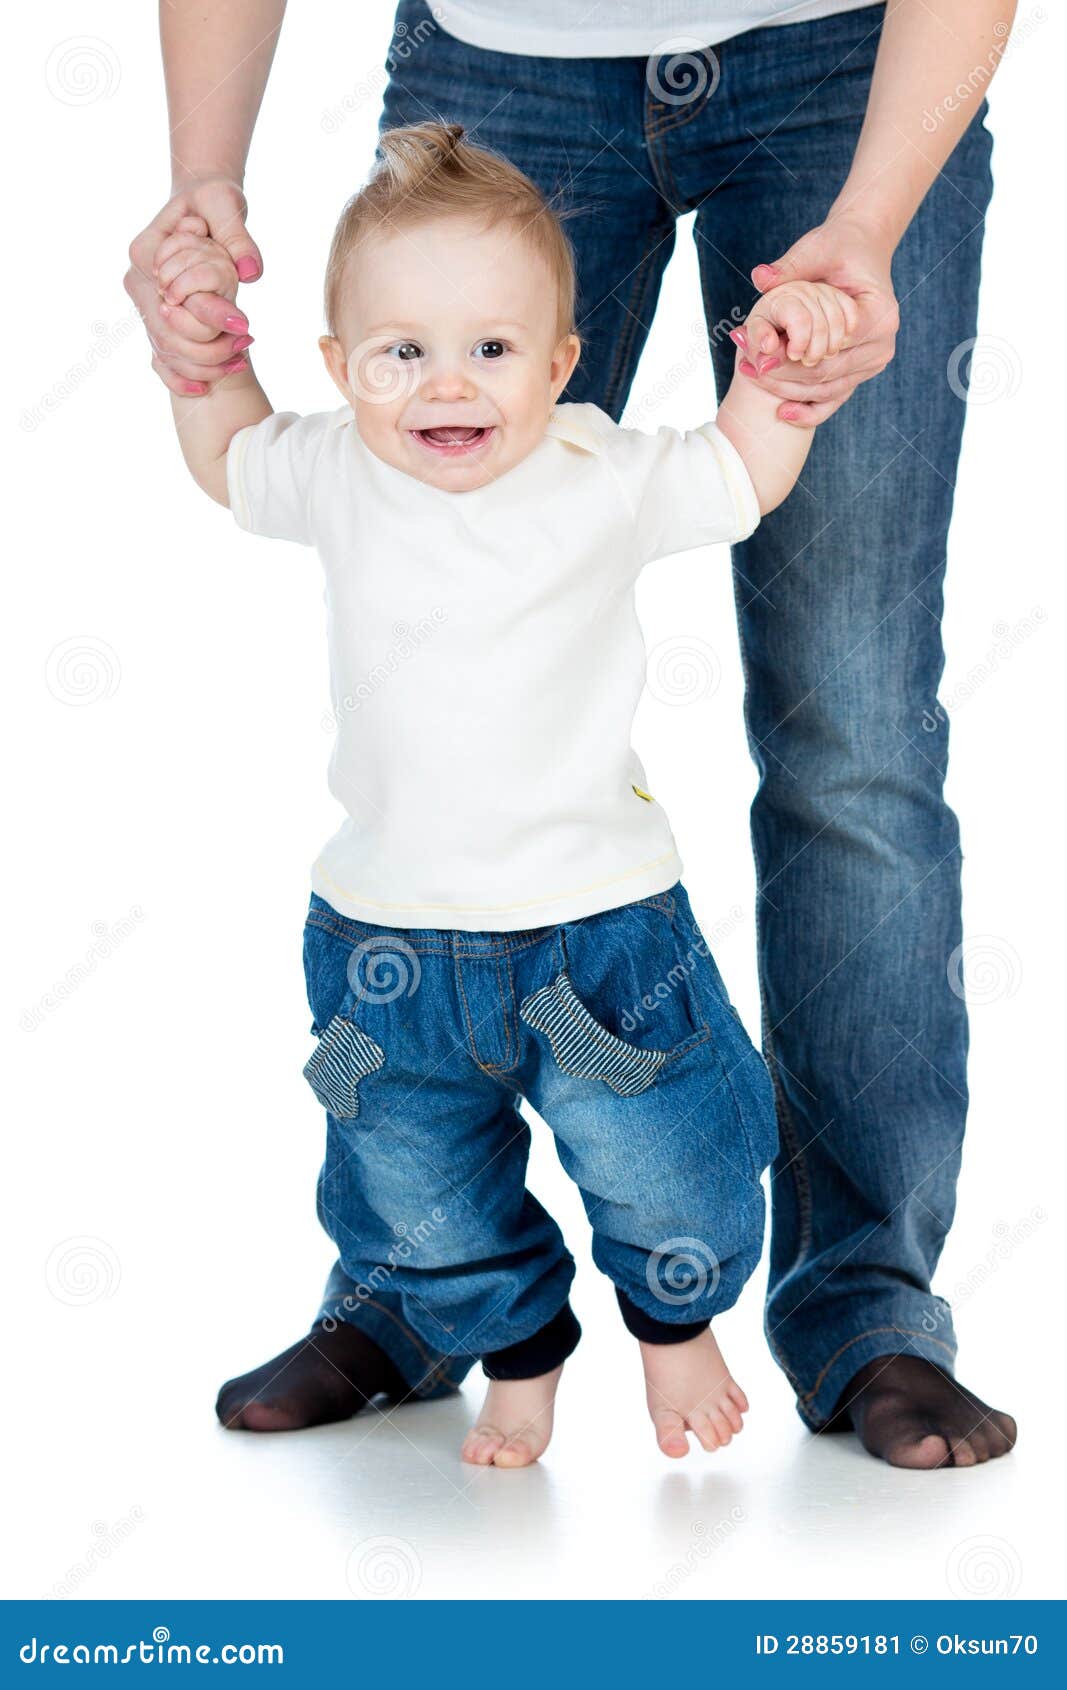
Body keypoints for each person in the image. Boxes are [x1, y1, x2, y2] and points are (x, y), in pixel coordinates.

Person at [127, 0, 1019, 1468]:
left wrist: (810, 328)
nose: (450, 383)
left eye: (495, 351)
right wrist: (198, 233)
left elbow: (734, 473)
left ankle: (863, 1307)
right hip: (504, 56)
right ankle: (418, 1290)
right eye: (399, 357)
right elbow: (235, 450)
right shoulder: (340, 460)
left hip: (847, 59)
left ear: (561, 366)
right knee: (392, 1090)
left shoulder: (606, 471)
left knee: (851, 728)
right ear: (340, 365)